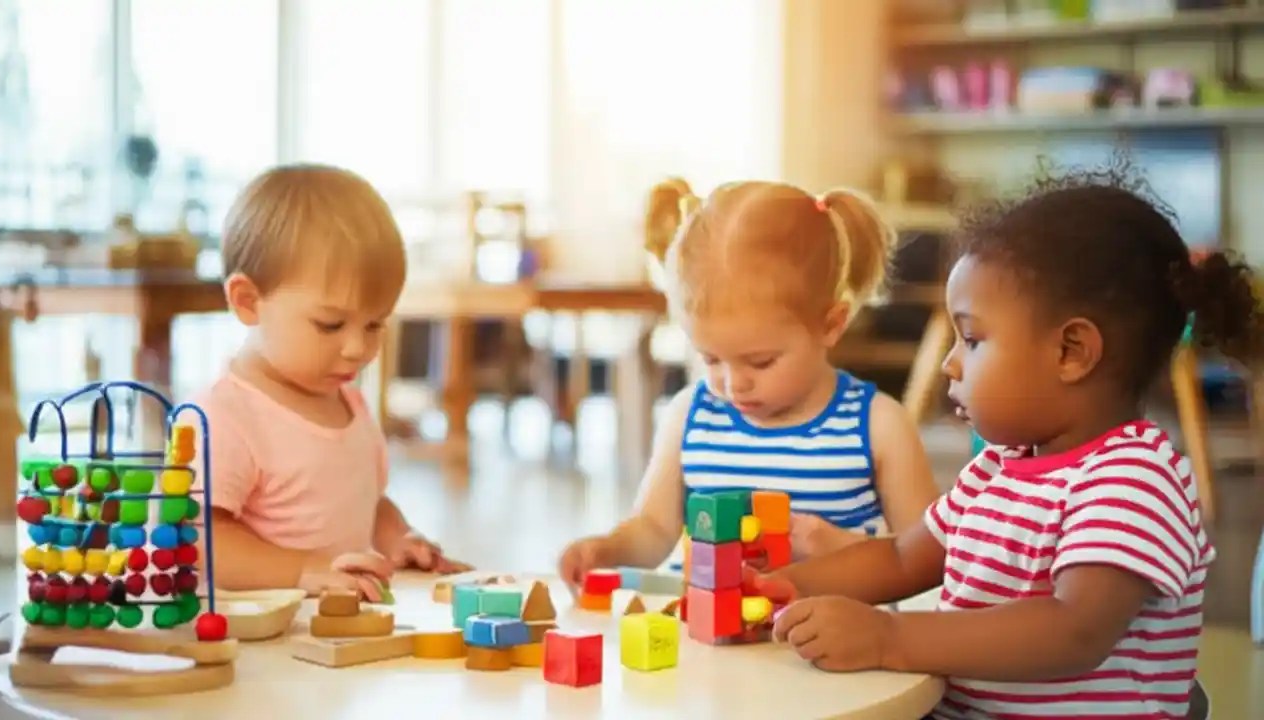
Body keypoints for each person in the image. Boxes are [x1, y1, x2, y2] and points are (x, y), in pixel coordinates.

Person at [767, 163, 1263, 719]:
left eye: (973, 338)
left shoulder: (1132, 478)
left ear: (1071, 352)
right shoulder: (997, 470)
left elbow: (1074, 630)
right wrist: (783, 586)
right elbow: (903, 556)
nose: (952, 363)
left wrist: (888, 636)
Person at [558, 178, 940, 589]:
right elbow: (653, 528)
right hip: (707, 639)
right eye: (710, 359)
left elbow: (928, 558)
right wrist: (608, 550)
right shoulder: (691, 415)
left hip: (823, 646)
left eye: (760, 362)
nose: (733, 384)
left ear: (831, 325)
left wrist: (839, 547)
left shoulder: (878, 425)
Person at [192, 164, 470, 601]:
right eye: (330, 324)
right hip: (262, 645)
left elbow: (366, 504)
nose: (357, 348)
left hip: (339, 634)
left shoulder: (350, 404)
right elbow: (200, 541)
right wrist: (301, 570)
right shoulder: (224, 416)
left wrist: (399, 537)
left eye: (375, 324)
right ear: (248, 302)